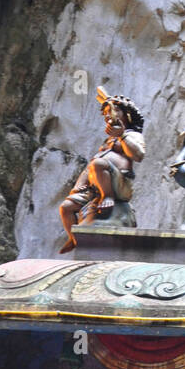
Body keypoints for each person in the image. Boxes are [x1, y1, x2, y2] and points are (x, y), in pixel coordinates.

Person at [59, 91, 146, 252]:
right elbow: (92, 167)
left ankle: (107, 196)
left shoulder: (132, 135)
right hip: (96, 184)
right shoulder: (109, 140)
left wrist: (122, 136)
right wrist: (80, 186)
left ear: (127, 114)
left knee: (98, 163)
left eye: (112, 111)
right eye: (105, 114)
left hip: (119, 183)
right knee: (66, 207)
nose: (108, 116)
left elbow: (138, 155)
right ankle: (73, 238)